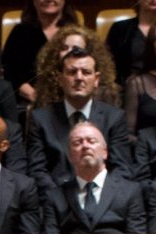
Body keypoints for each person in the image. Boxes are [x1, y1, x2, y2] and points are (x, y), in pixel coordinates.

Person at [25, 44, 133, 191]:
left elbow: (121, 169)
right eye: (72, 72)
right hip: (55, 199)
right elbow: (37, 171)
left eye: (86, 72)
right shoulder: (40, 119)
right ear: (60, 79)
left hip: (101, 199)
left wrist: (98, 196)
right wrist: (60, 199)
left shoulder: (114, 118)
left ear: (96, 79)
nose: (79, 78)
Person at [42, 120, 148, 234]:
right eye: (77, 143)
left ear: (105, 152)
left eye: (91, 141)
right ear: (70, 156)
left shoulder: (130, 190)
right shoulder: (54, 195)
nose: (85, 146)